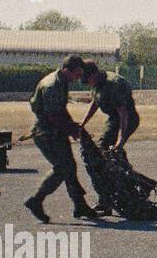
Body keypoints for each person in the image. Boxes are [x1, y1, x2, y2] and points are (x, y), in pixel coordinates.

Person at [23, 54, 100, 224]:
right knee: (63, 168)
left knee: (69, 167)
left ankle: (80, 205)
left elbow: (61, 110)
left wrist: (72, 126)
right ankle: (36, 200)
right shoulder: (52, 85)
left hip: (56, 132)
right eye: (77, 74)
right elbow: (53, 115)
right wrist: (71, 129)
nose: (79, 78)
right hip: (47, 134)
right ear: (67, 70)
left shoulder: (62, 80)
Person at [80, 62, 140, 152]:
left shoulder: (114, 84)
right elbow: (95, 103)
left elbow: (123, 113)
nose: (86, 83)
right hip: (114, 118)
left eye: (86, 80)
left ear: (94, 74)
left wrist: (121, 139)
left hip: (129, 118)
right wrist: (82, 123)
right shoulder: (96, 83)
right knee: (102, 146)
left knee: (115, 150)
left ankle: (122, 165)